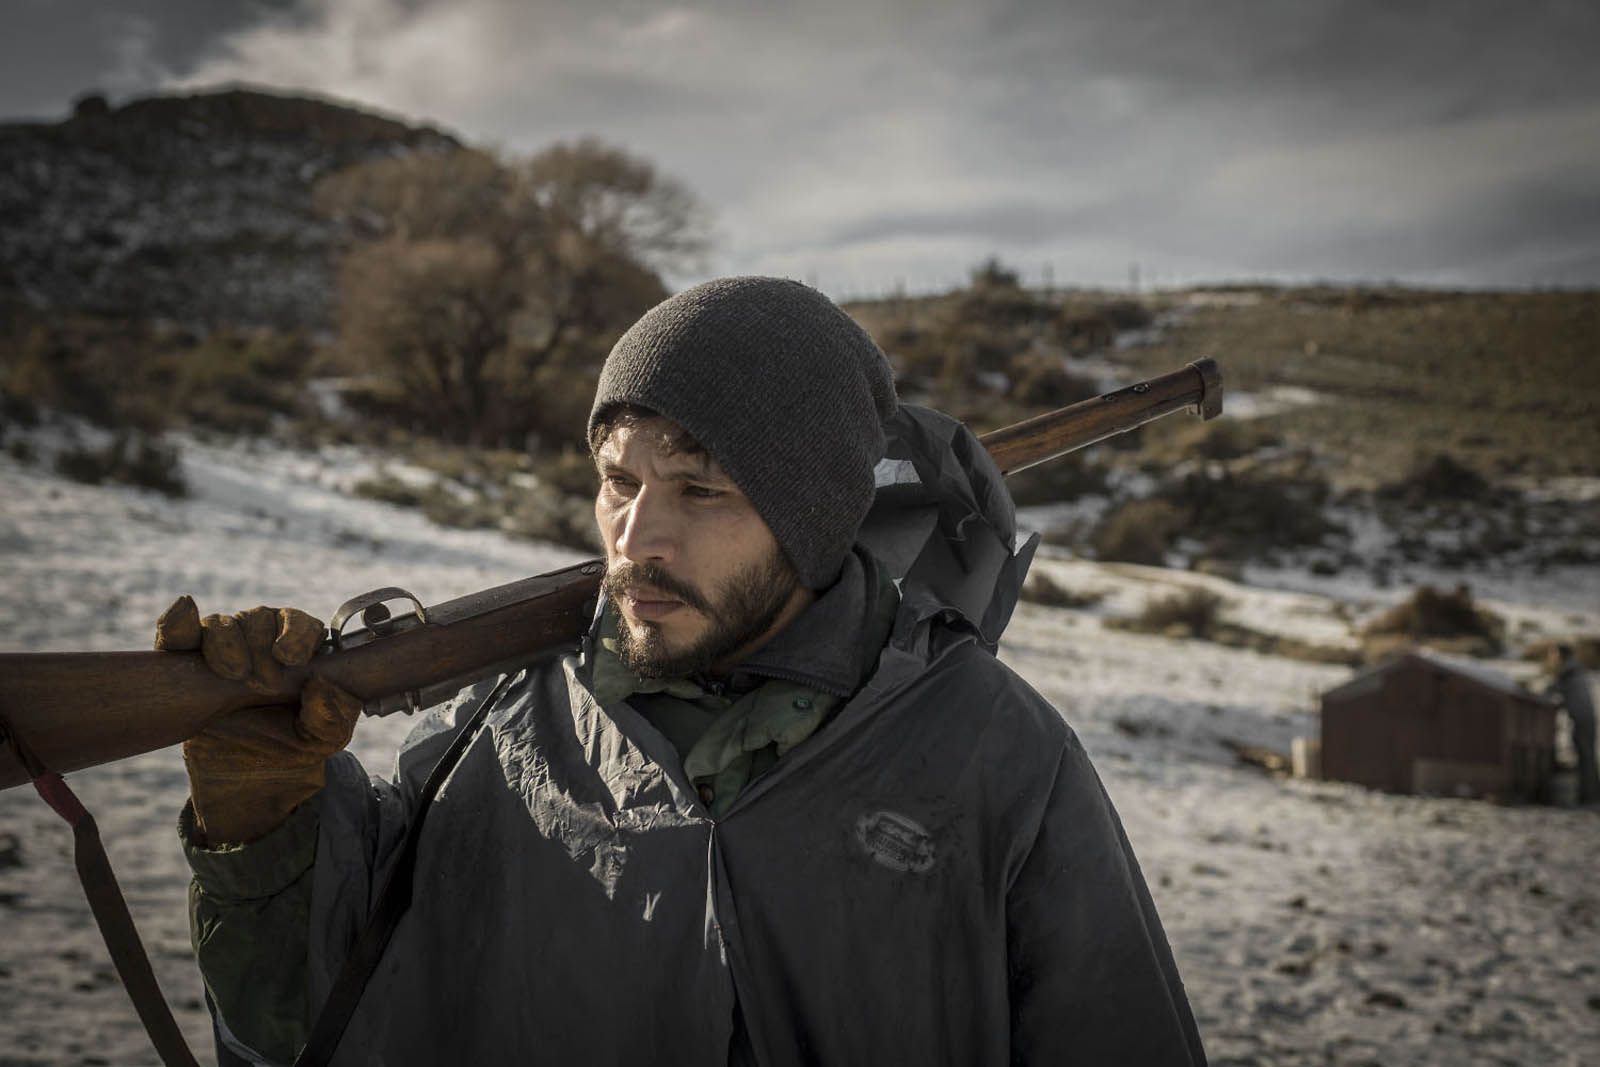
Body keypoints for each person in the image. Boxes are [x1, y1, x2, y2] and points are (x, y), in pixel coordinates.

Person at [163, 277, 1206, 1065]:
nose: (635, 537)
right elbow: (325, 1023)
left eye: (698, 489)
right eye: (618, 480)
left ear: (811, 517)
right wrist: (266, 830)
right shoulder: (501, 730)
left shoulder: (1001, 756)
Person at [1546, 643, 1598, 805]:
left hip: (1581, 719)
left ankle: (1589, 796)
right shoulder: (1575, 670)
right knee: (1587, 757)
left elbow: (1553, 691)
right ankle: (1589, 795)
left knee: (1585, 756)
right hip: (1585, 718)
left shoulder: (1568, 671)